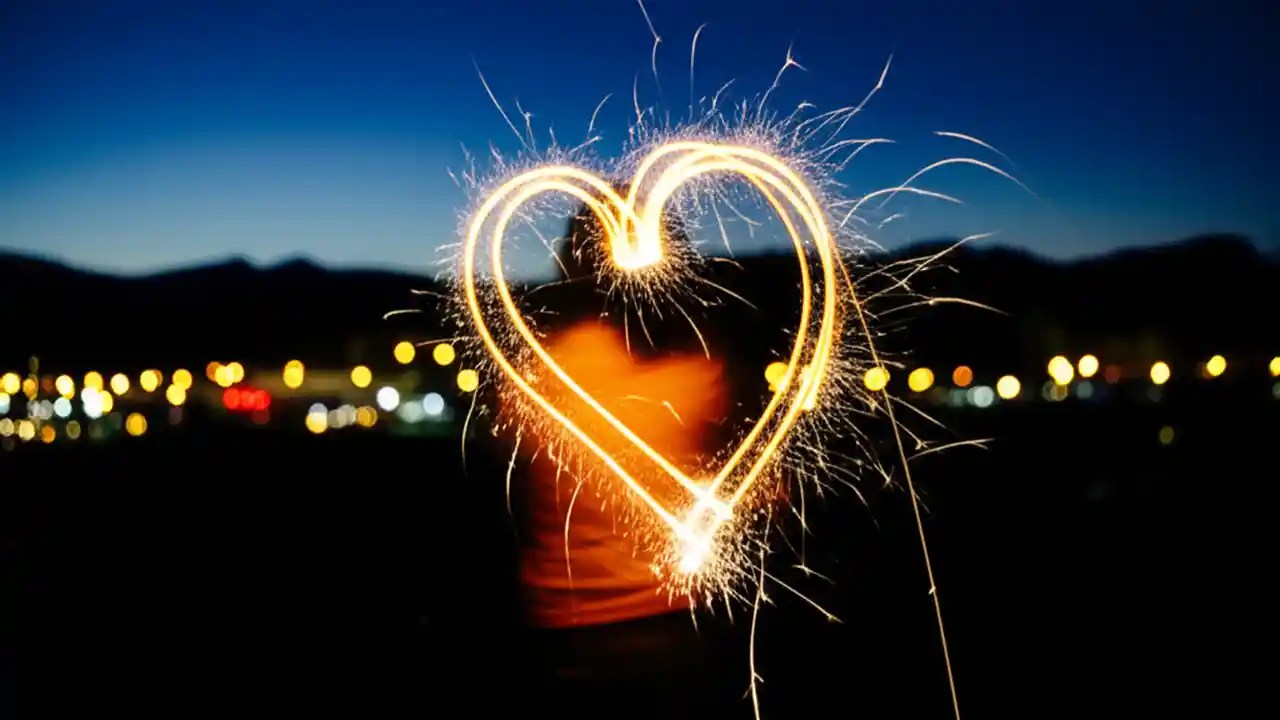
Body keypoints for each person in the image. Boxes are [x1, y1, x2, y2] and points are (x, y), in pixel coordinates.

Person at [504, 196, 738, 718]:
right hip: (667, 621)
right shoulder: (696, 374)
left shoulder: (537, 376)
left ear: (572, 261)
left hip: (563, 626)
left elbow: (512, 498)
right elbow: (733, 493)